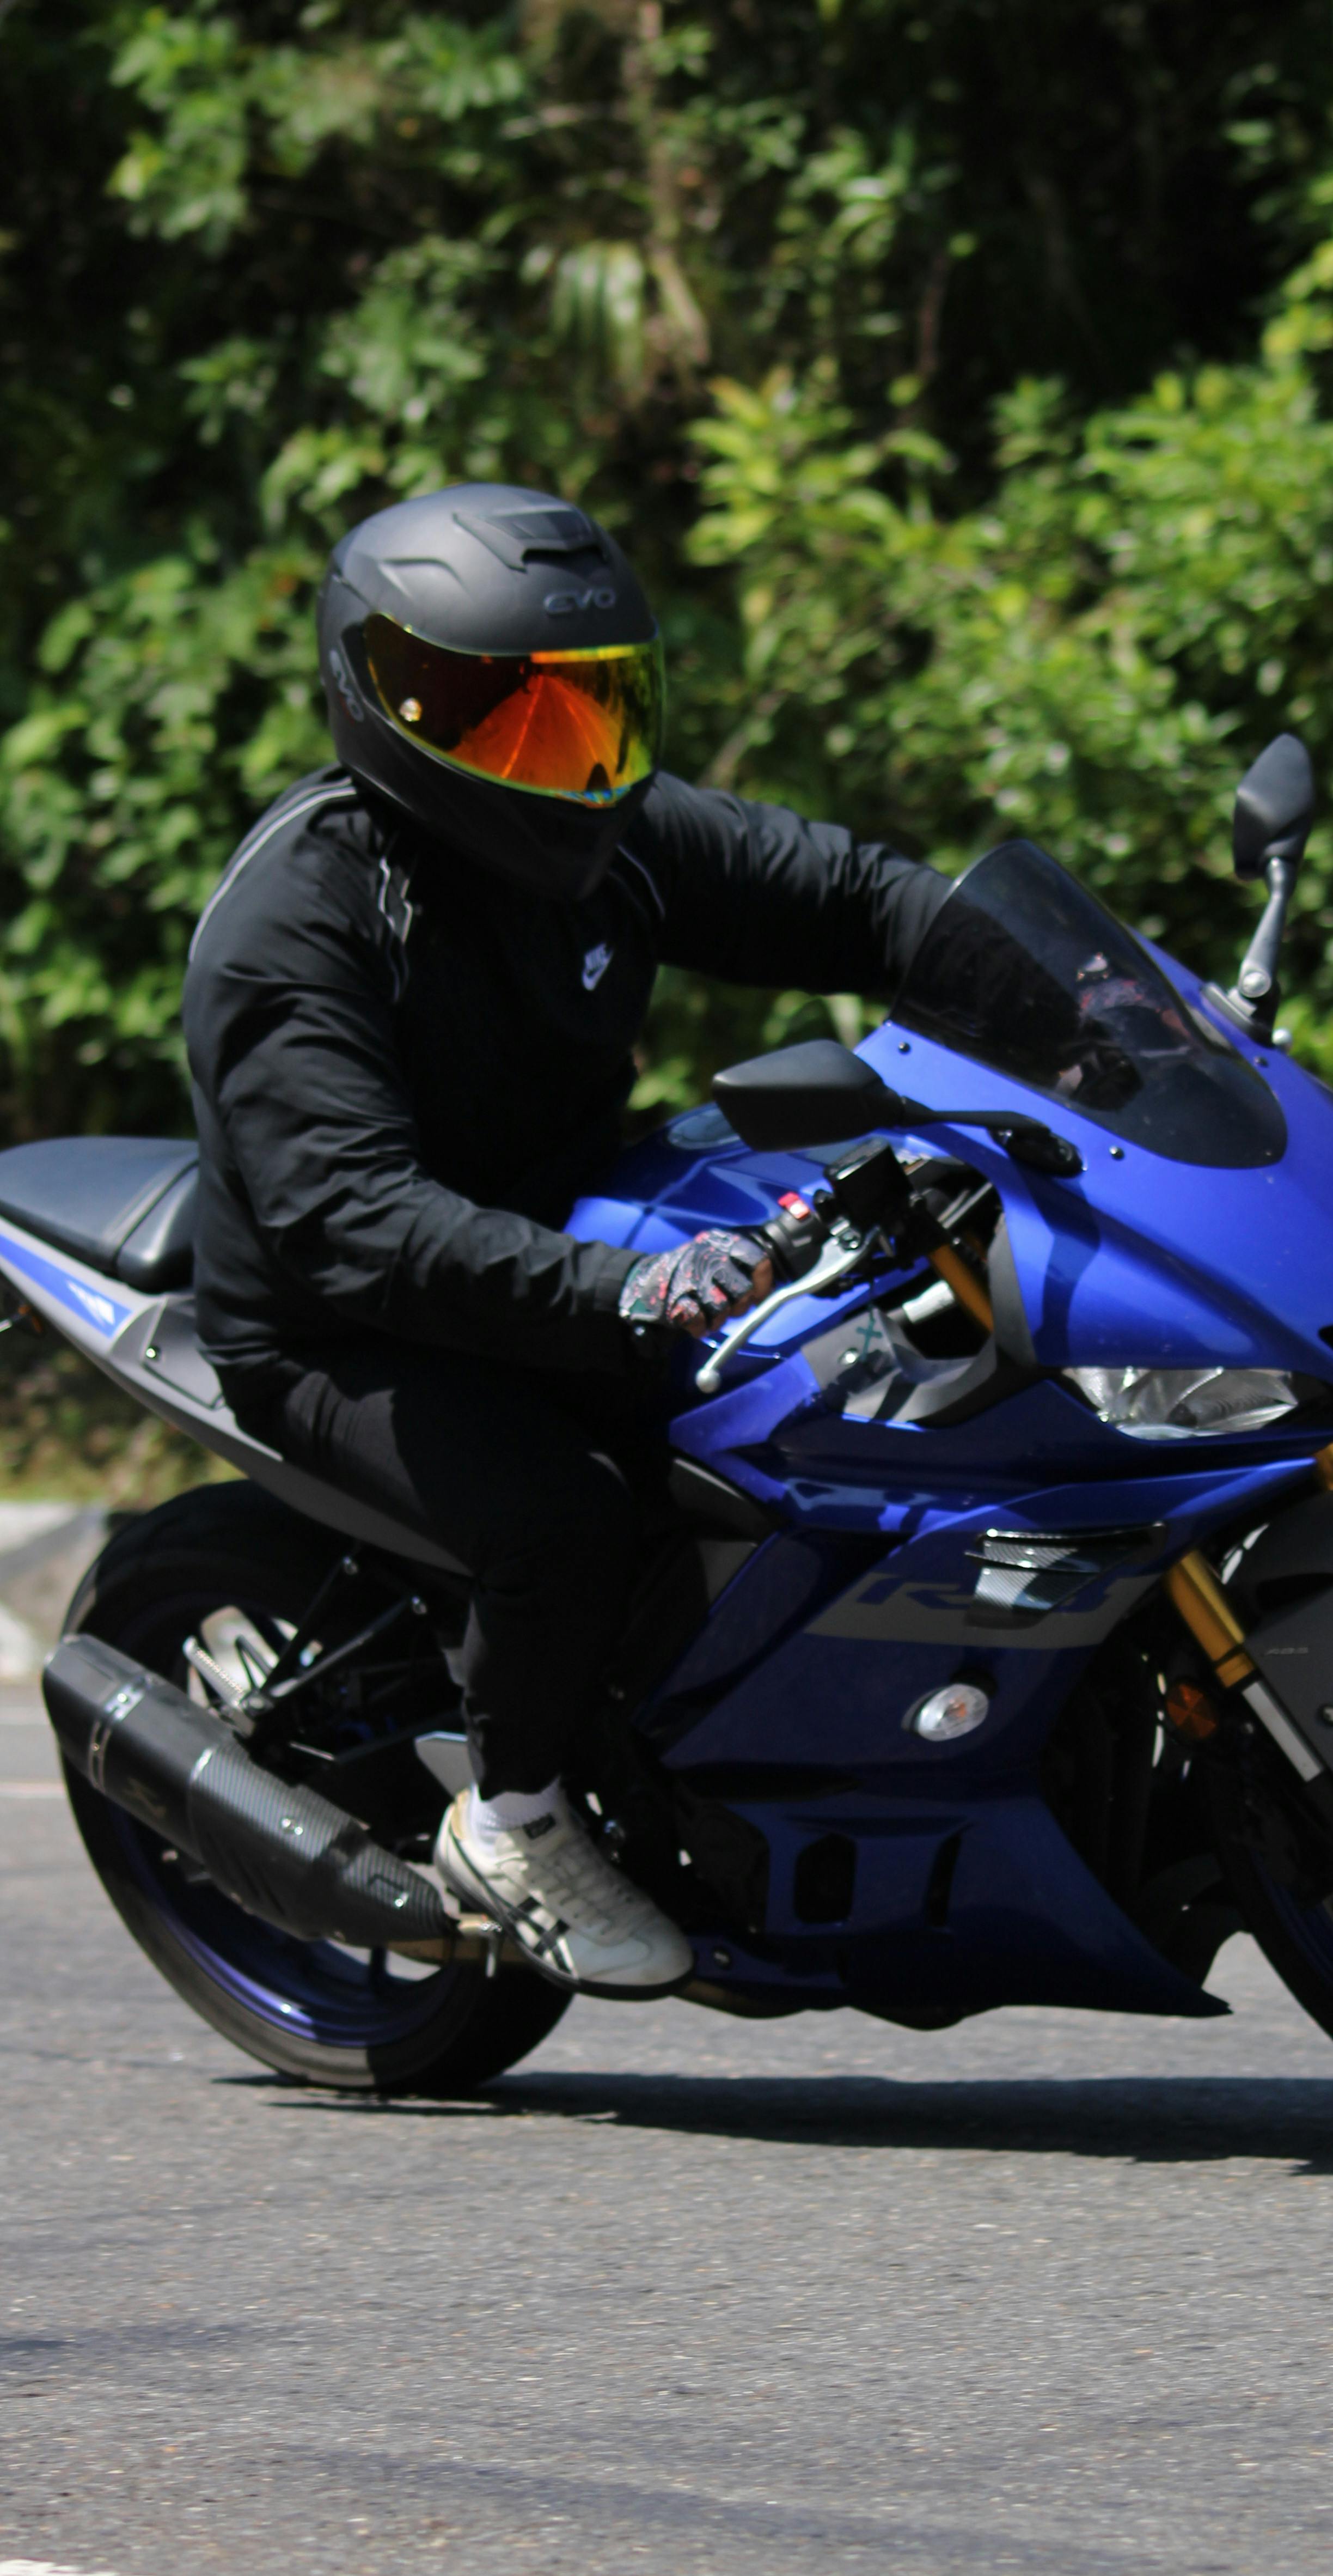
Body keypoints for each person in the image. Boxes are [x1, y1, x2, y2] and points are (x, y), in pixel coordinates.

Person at [182, 482, 948, 1993]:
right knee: (565, 1519)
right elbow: (356, 1223)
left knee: (828, 1392)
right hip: (345, 1325)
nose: (568, 760)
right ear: (387, 703)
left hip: (567, 1236)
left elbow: (856, 898)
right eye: (512, 719)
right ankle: (515, 1813)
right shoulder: (302, 921)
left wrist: (1090, 1001)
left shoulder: (620, 841)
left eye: (594, 710)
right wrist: (622, 1290)